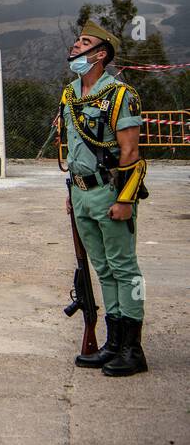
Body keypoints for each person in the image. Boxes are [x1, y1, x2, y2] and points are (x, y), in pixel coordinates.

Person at [58, 21, 149, 376]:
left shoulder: (120, 95)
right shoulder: (70, 93)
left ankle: (133, 348)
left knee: (127, 270)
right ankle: (113, 342)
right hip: (81, 194)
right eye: (76, 41)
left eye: (83, 42)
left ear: (100, 54)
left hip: (111, 193)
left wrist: (125, 199)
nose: (75, 47)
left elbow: (130, 151)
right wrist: (73, 190)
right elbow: (75, 147)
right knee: (104, 269)